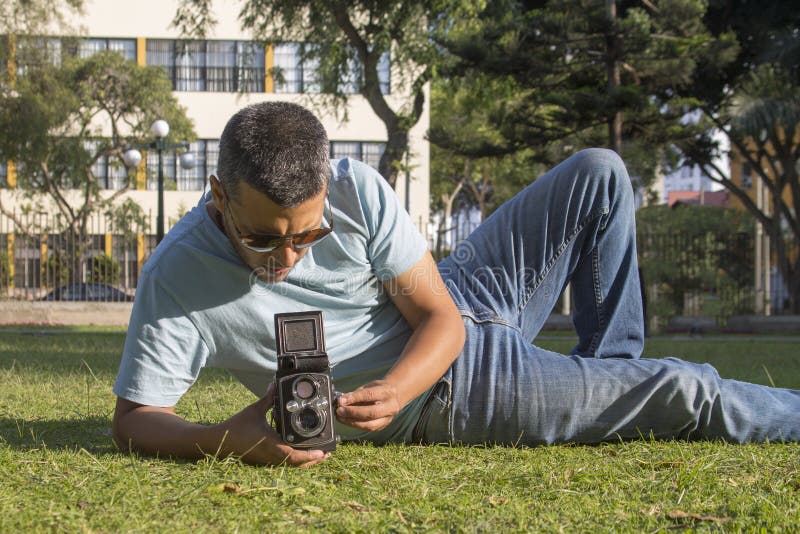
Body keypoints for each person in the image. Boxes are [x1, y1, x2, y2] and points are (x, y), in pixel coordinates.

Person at [112, 102, 800, 467]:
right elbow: (136, 418)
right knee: (691, 390)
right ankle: (615, 396)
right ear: (219, 197)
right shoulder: (179, 274)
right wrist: (224, 437)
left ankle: (605, 380)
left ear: (327, 190)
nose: (286, 258)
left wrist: (399, 383)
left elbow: (441, 316)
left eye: (307, 236)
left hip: (457, 307)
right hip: (457, 395)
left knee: (599, 172)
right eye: (262, 239)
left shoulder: (357, 190)